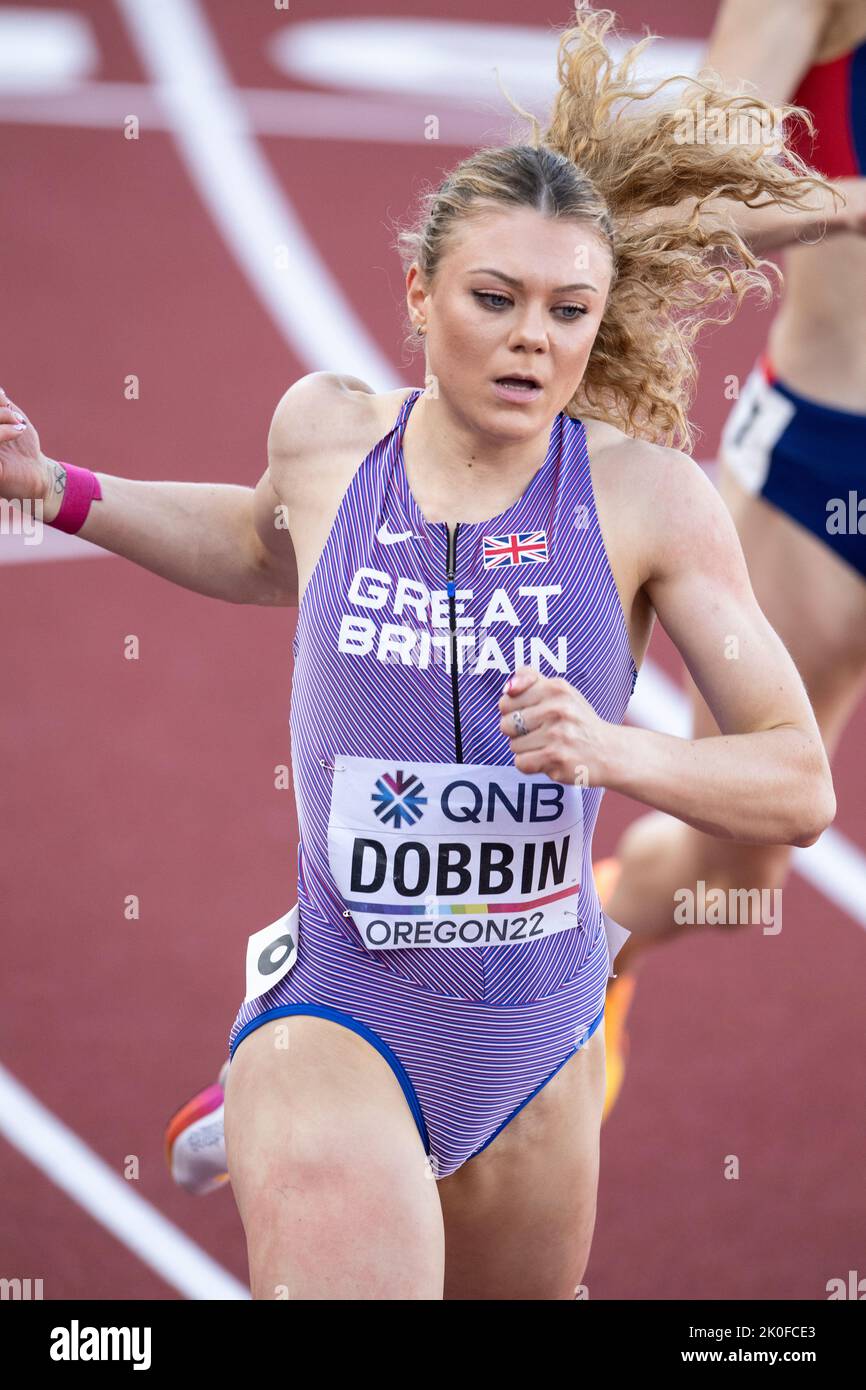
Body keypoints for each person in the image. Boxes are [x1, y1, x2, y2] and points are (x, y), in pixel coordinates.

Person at [1, 5, 839, 1299]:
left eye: (568, 310)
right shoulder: (331, 435)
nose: (531, 339)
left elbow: (796, 786)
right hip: (341, 1011)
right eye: (494, 299)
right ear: (417, 292)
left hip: (542, 1040)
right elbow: (256, 546)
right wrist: (57, 484)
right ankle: (258, 1072)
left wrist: (612, 747)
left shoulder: (646, 501)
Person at [598, 0, 866, 1117]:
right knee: (736, 868)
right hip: (822, 467)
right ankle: (555, 960)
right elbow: (667, 205)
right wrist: (852, 206)